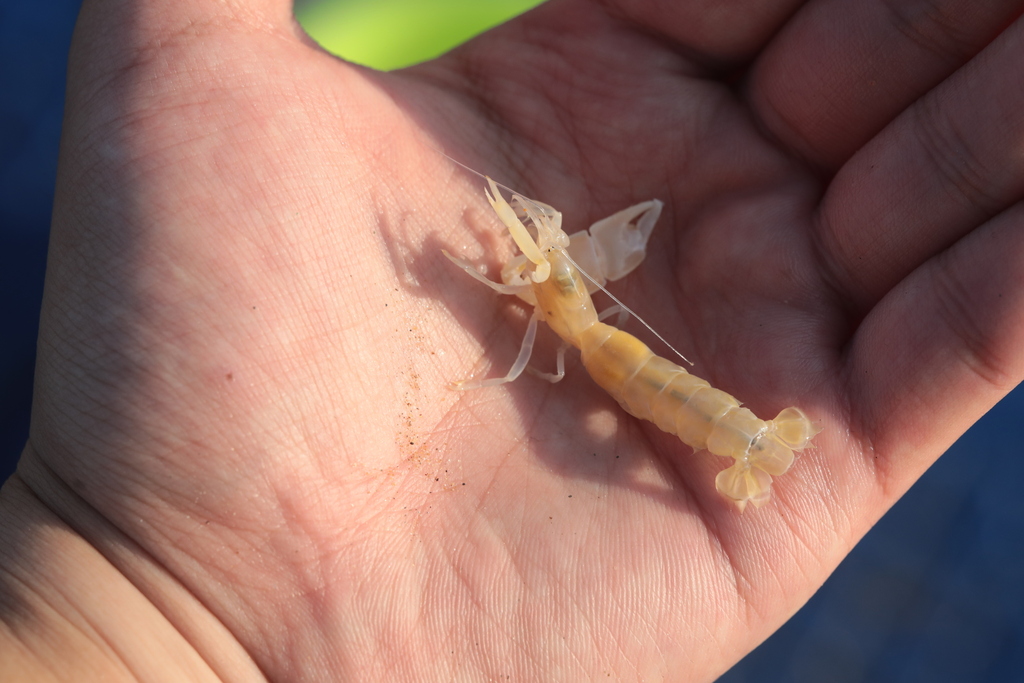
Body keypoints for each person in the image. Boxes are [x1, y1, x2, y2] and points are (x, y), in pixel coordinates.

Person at [2, 0, 1022, 679]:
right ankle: (743, 441)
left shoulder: (557, 302)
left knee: (626, 364)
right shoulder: (562, 292)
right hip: (625, 374)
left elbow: (546, 295)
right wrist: (154, 585)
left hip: (632, 374)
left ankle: (745, 441)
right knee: (625, 361)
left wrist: (142, 600)